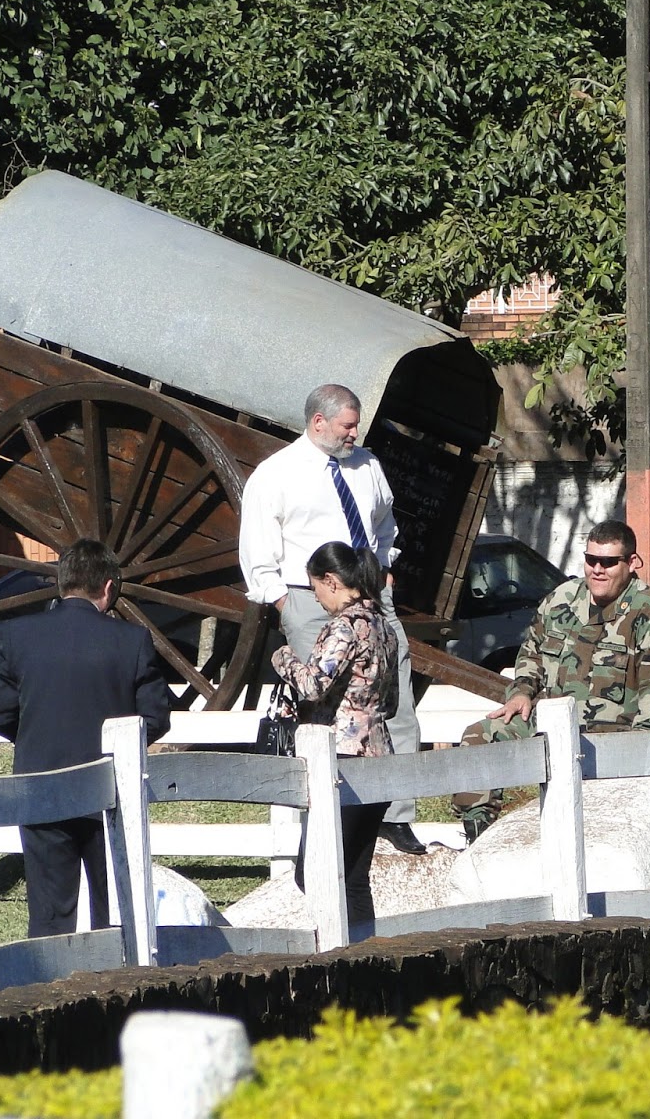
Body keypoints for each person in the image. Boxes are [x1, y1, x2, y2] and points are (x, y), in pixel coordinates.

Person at [238, 383, 425, 856]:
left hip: (371, 599)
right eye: (347, 425)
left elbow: (385, 523)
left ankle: (395, 816)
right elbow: (257, 551)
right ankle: (325, 815)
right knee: (322, 711)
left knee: (395, 703)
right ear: (318, 422)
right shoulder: (276, 474)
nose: (354, 433)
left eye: (355, 425)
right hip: (308, 599)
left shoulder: (367, 466)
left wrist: (383, 569)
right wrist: (285, 603)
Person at [0, 539, 172, 937]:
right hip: (111, 787)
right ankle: (115, 987)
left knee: (50, 913)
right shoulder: (132, 641)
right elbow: (155, 717)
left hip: (40, 783)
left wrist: (36, 735)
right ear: (107, 587)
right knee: (116, 908)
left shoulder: (19, 636)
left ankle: (49, 988)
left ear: (61, 584)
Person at [452, 519, 650, 841]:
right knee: (479, 736)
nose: (597, 570)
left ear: (632, 563)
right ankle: (480, 835)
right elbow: (531, 653)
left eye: (608, 562)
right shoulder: (561, 600)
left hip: (608, 738)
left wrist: (637, 759)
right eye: (591, 560)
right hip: (548, 722)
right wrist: (521, 692)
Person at [270, 542, 399, 927]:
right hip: (381, 756)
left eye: (315, 588)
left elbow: (312, 685)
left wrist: (283, 658)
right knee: (354, 878)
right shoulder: (385, 628)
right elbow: (389, 703)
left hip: (342, 759)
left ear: (331, 581)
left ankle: (338, 960)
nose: (316, 598)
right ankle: (369, 964)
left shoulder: (345, 625)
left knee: (316, 871)